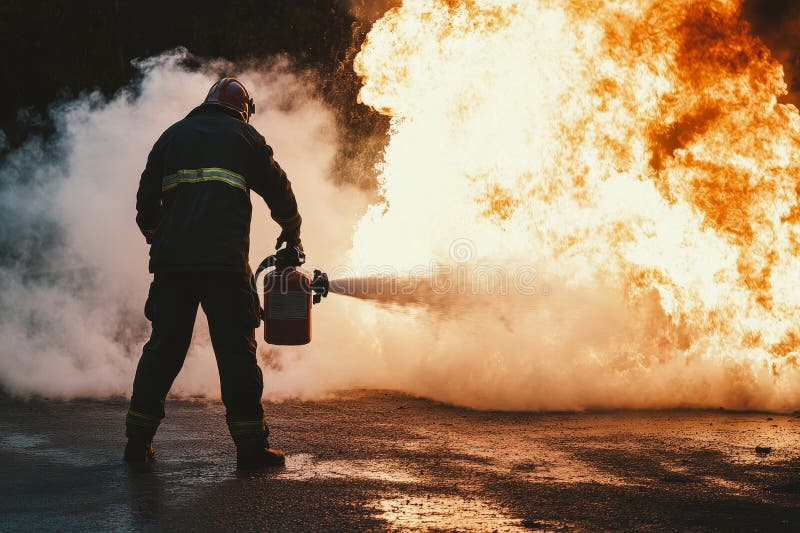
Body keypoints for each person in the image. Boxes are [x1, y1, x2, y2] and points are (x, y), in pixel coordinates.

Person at [125, 78, 302, 469]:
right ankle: (251, 450)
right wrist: (291, 228)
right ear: (243, 108)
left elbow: (144, 202)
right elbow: (278, 188)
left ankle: (137, 443)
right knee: (237, 355)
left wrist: (160, 239)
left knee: (163, 351)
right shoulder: (245, 137)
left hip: (173, 267)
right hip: (224, 266)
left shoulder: (170, 137)